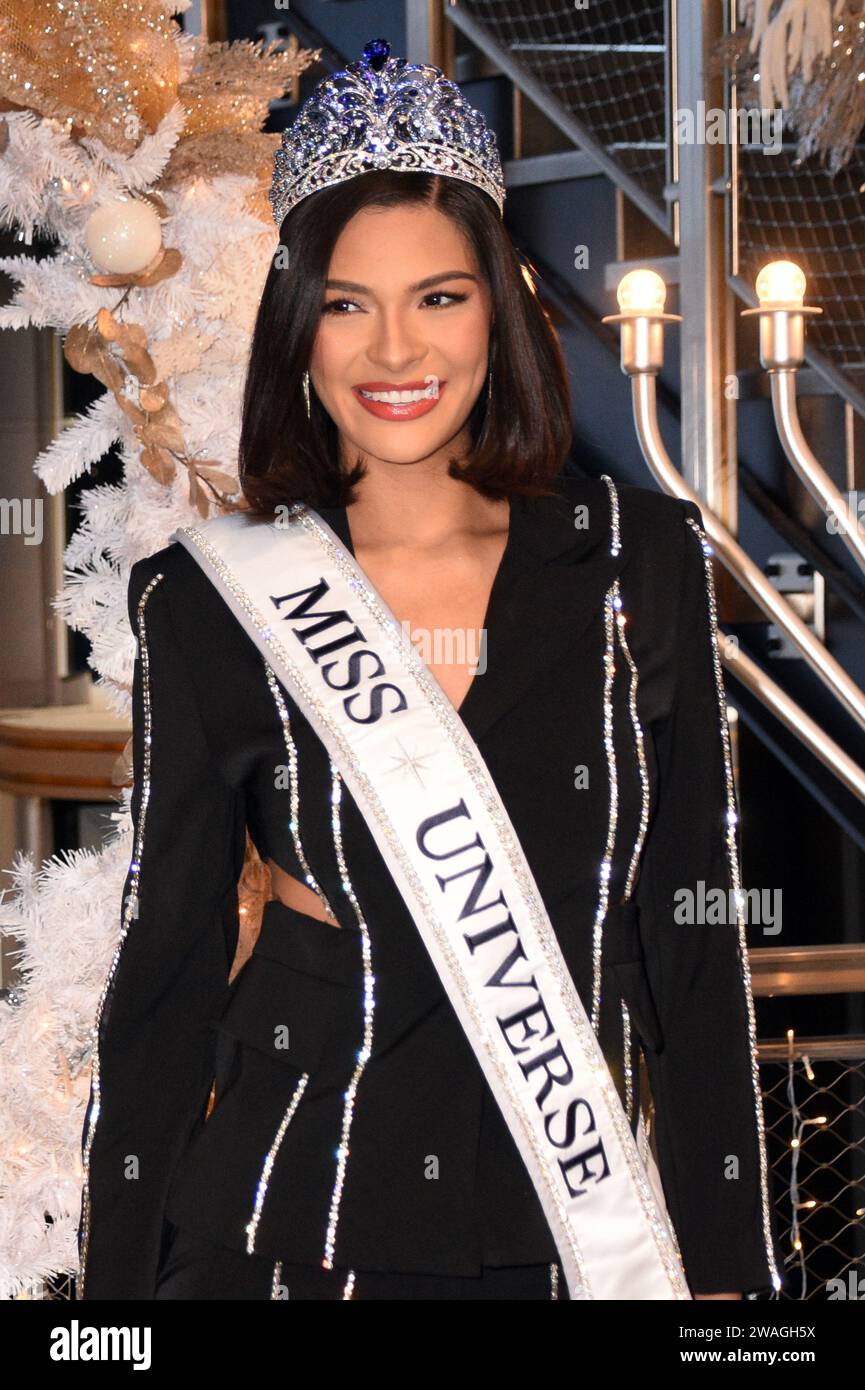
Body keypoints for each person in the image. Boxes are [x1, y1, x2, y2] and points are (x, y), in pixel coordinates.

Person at [75, 40, 783, 1301]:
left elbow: (691, 937)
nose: (393, 350)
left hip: (574, 1237)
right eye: (346, 303)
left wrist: (731, 1277)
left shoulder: (640, 564)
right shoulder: (209, 602)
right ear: (300, 327)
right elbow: (168, 963)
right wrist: (108, 1315)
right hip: (286, 1226)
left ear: (498, 308)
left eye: (439, 298)